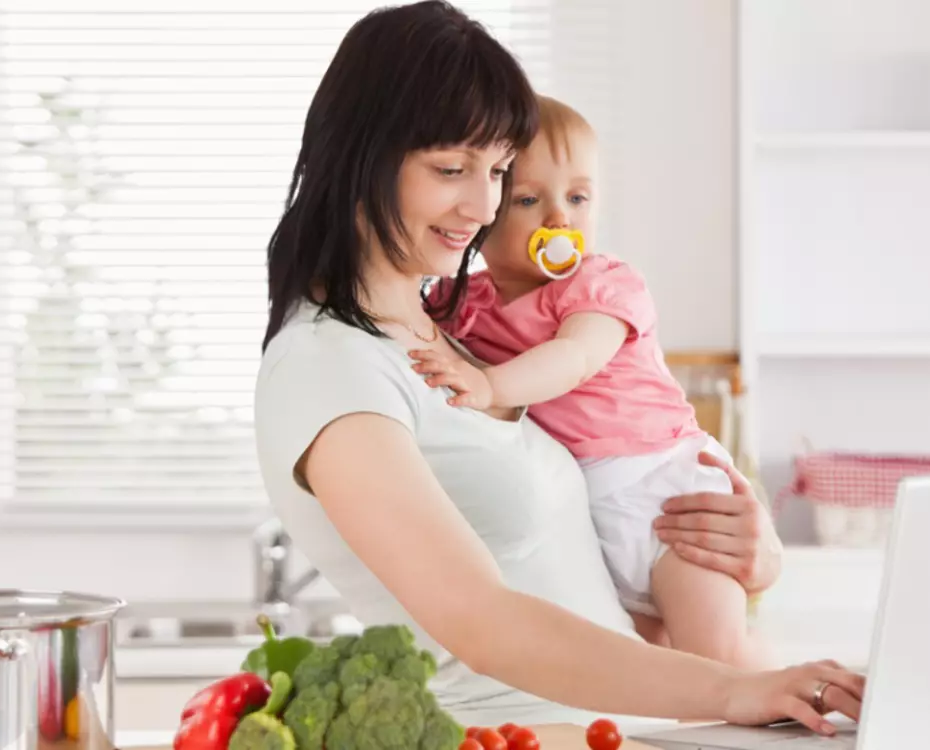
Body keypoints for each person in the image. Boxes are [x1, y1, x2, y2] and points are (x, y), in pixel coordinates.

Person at [253, 0, 862, 734]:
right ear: (361, 156)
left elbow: (579, 588)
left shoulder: (465, 335)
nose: (483, 206)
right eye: (452, 168)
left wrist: (744, 560)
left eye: (500, 171)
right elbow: (483, 622)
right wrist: (734, 691)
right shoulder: (327, 369)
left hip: (624, 729)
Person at [414, 95, 773, 669]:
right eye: (530, 200)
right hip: (587, 523)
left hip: (667, 496)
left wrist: (489, 387)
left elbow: (575, 356)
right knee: (647, 672)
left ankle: (789, 710)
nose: (560, 218)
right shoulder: (461, 303)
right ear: (482, 214)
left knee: (717, 658)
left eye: (578, 197)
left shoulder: (601, 284)